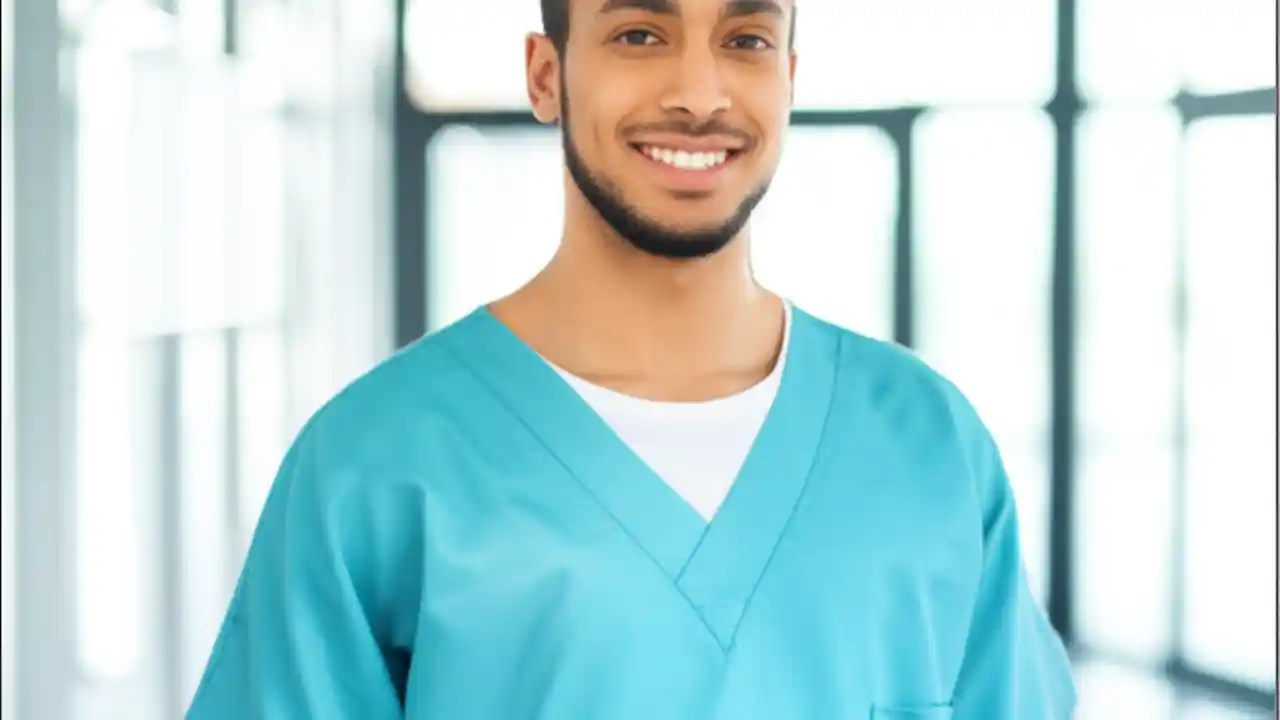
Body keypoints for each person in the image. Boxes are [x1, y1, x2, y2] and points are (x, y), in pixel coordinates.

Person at [187, 0, 1077, 717]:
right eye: (640, 33)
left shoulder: (931, 443)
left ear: (790, 79)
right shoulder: (373, 460)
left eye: (746, 38)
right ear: (547, 75)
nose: (701, 91)